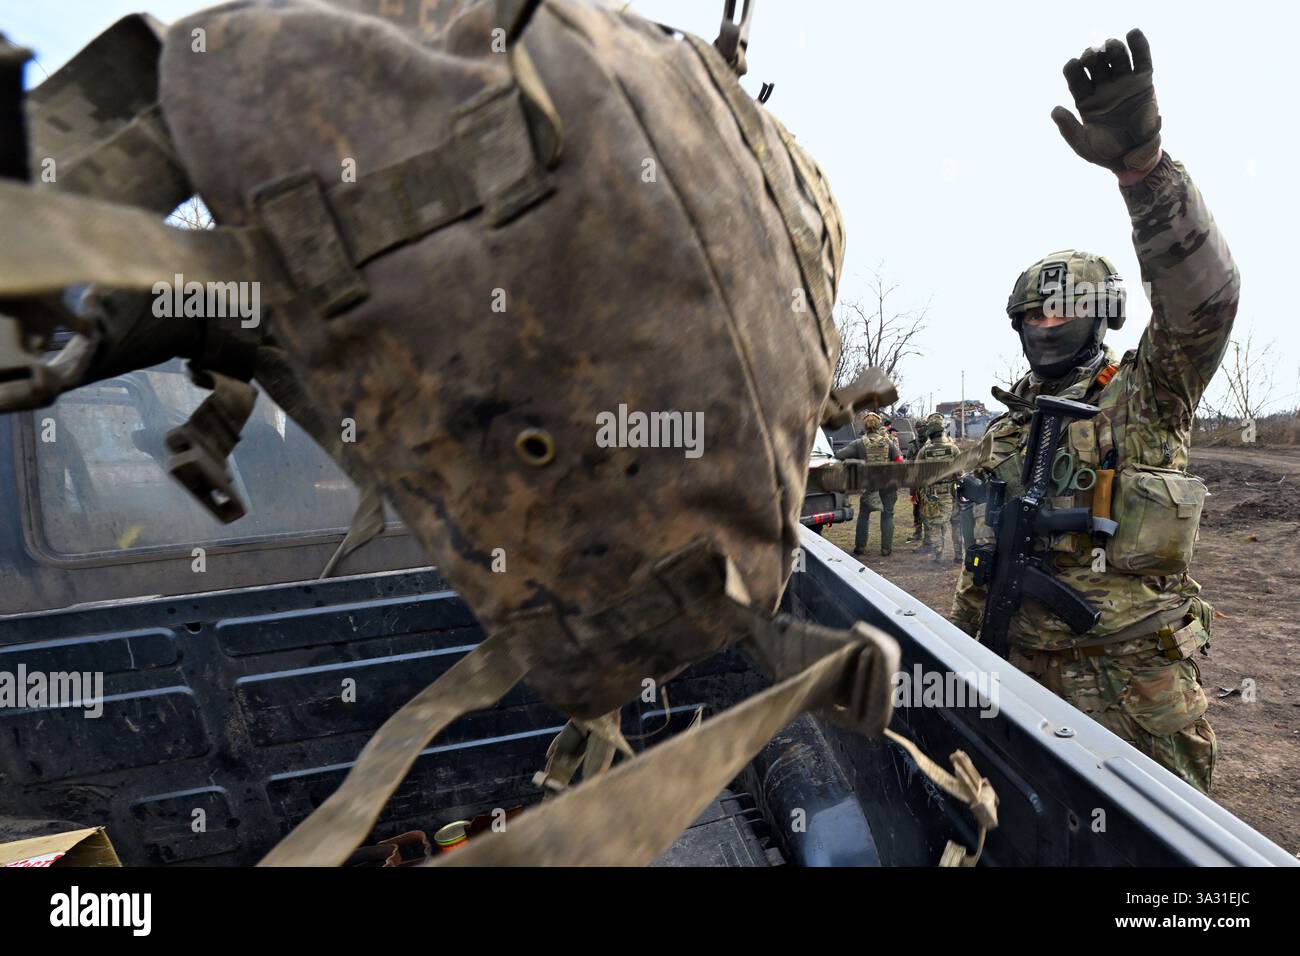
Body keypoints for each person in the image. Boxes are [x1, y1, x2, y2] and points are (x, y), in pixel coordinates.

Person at [950, 30, 1238, 794]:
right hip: (1011, 677)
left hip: (1127, 698)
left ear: (1100, 316)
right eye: (1032, 317)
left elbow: (1205, 301)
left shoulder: (1145, 397)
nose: (1046, 327)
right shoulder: (1007, 430)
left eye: (1063, 313)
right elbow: (979, 571)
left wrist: (1144, 174)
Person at [835, 411, 901, 556]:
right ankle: (886, 549)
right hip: (888, 485)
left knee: (864, 515)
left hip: (869, 486)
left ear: (864, 426)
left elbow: (839, 455)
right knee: (888, 515)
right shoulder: (888, 442)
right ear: (879, 426)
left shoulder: (859, 443)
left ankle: (860, 547)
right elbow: (899, 462)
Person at [914, 413, 958, 562]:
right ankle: (959, 555)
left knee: (934, 524)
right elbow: (960, 473)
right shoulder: (953, 448)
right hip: (951, 494)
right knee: (956, 524)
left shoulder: (924, 451)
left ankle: (938, 555)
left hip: (931, 494)